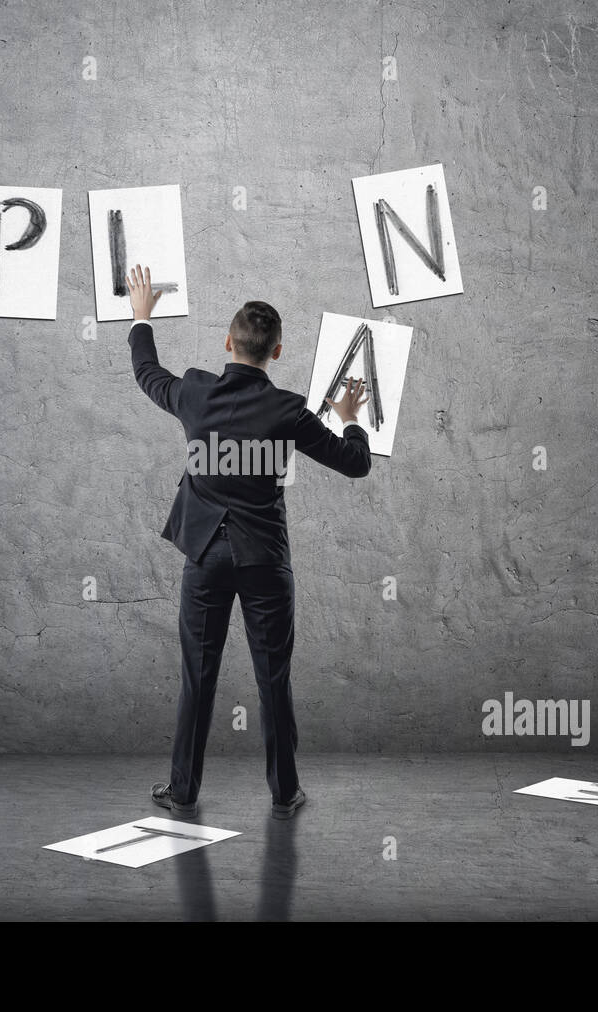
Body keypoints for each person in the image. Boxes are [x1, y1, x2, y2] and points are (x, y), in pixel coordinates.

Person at [124, 264, 372, 820]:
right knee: (273, 679)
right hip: (265, 562)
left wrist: (142, 316)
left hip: (206, 557)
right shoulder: (288, 410)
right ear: (277, 352)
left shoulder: (193, 392)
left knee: (198, 677)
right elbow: (355, 464)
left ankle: (183, 790)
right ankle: (285, 793)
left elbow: (147, 372)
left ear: (228, 342)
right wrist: (350, 419)